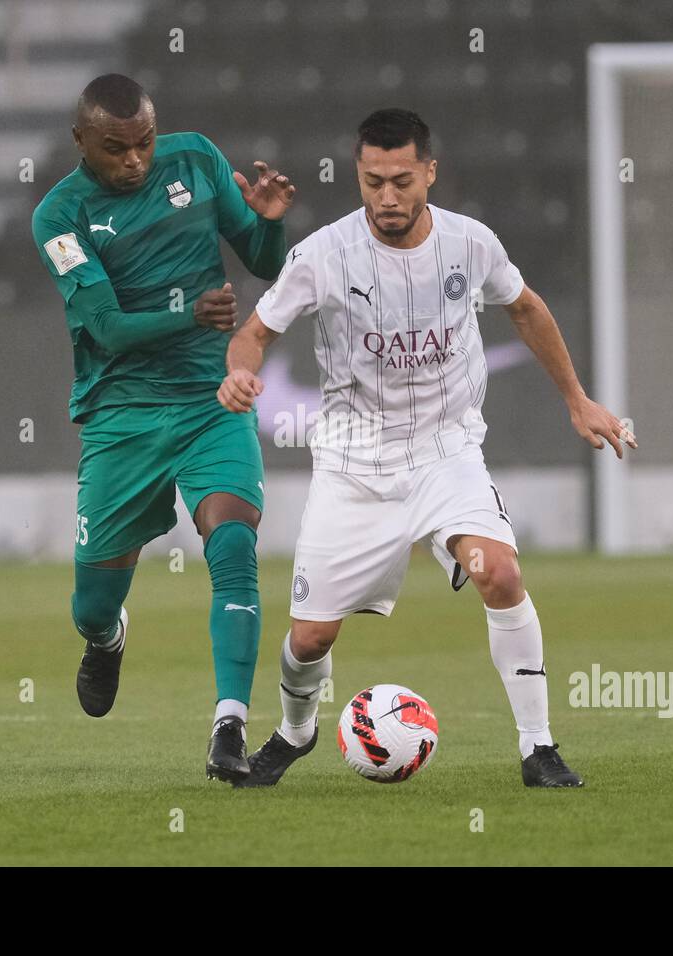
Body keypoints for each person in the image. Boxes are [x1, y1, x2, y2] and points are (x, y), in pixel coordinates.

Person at [217, 108, 635, 788]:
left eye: (402, 181)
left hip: (446, 453)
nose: (387, 197)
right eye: (372, 180)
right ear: (358, 174)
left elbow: (526, 307)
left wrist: (577, 399)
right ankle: (295, 732)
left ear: (430, 173)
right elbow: (255, 332)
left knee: (499, 573)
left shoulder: (470, 245)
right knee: (310, 640)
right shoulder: (324, 253)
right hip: (354, 464)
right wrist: (238, 371)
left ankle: (539, 748)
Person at [31, 73, 295, 782]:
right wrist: (190, 316)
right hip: (123, 415)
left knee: (234, 543)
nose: (136, 161)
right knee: (91, 604)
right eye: (116, 148)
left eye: (144, 142)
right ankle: (107, 638)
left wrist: (268, 222)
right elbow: (109, 329)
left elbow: (264, 262)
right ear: (81, 141)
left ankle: (229, 729)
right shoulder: (59, 216)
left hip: (212, 398)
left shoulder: (198, 160)